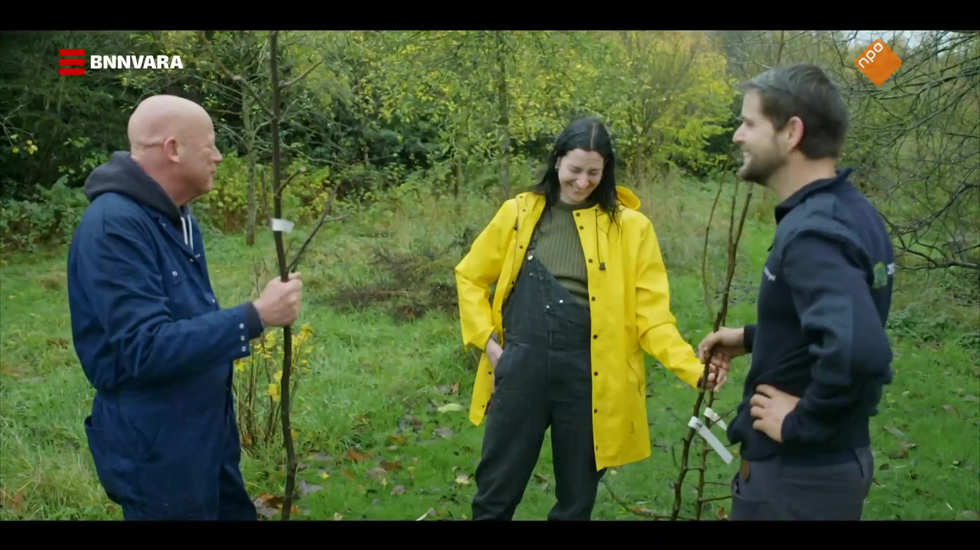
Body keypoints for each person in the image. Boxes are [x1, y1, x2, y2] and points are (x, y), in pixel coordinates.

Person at [454, 116, 729, 521]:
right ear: (556, 161)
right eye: (575, 170)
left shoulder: (632, 229)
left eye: (594, 173)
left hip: (592, 378)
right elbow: (470, 276)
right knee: (495, 493)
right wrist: (491, 345)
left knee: (576, 502)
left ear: (607, 170)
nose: (583, 182)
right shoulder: (518, 214)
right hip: (520, 368)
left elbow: (651, 316)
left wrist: (693, 369)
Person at [66, 94, 304, 520]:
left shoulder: (177, 216)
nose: (218, 156)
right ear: (173, 150)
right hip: (158, 449)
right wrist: (255, 316)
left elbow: (186, 318)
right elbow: (143, 347)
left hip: (206, 435)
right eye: (209, 144)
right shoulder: (114, 226)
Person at [697, 64, 895, 521]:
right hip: (825, 470)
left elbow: (861, 353)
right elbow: (836, 323)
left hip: (798, 479)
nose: (737, 137)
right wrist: (751, 337)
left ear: (791, 133)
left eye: (748, 123)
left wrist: (802, 422)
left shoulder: (812, 233)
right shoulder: (849, 208)